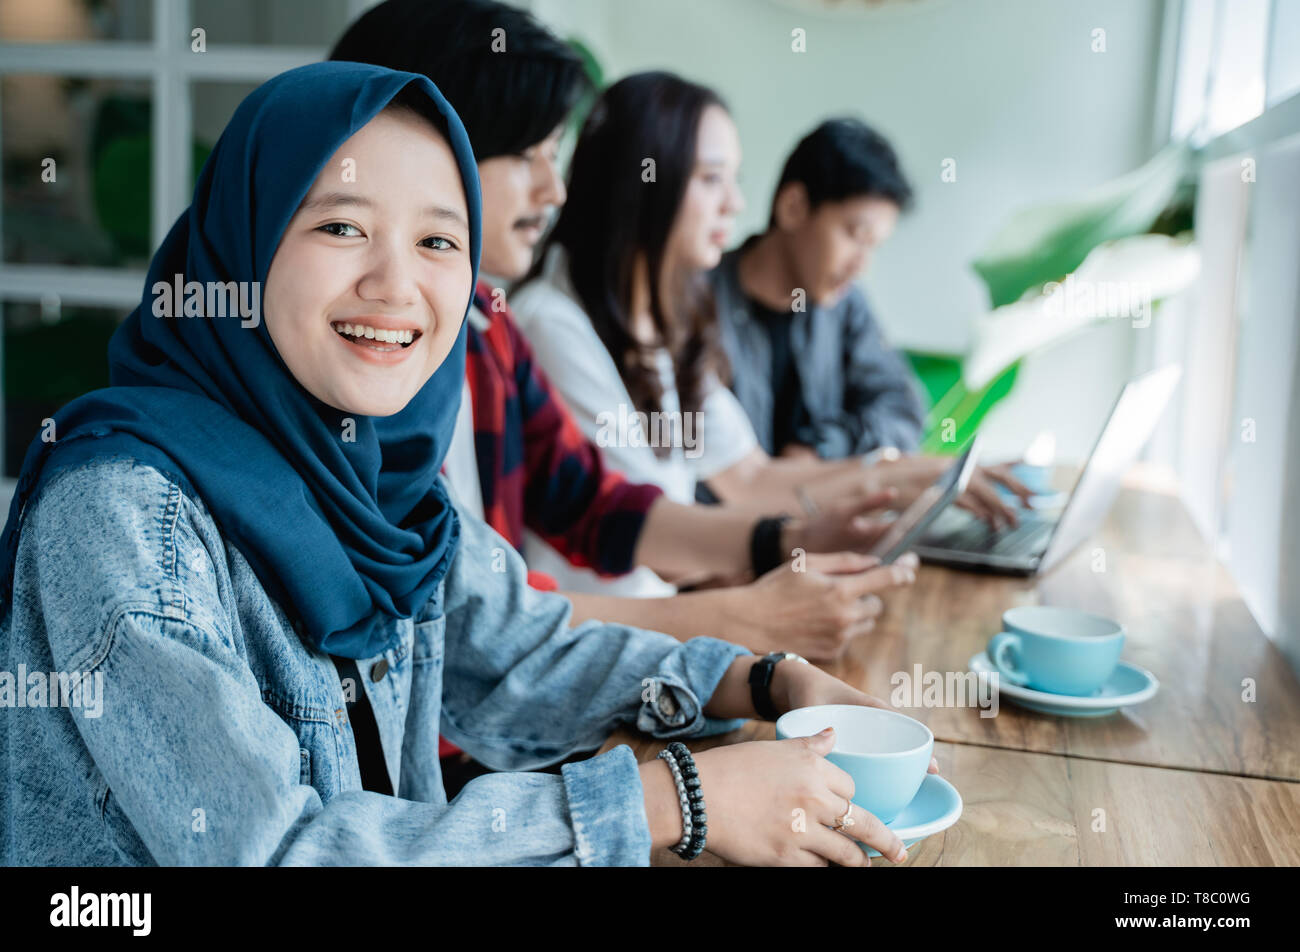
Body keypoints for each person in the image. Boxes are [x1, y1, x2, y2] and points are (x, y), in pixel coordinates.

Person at [0, 61, 934, 867]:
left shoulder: (380, 472)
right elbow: (283, 852)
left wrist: (764, 681)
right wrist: (673, 802)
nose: (396, 285)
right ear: (242, 243)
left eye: (439, 240)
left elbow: (527, 648)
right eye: (339, 228)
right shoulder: (121, 515)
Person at [510, 72, 1033, 600]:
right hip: (631, 640)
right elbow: (657, 540)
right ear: (642, 180)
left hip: (672, 627)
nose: (735, 203)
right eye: (712, 179)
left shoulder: (665, 321)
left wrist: (918, 475)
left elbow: (751, 477)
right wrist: (797, 539)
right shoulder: (554, 326)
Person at [710, 118, 927, 460]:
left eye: (874, 247)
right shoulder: (696, 301)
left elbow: (902, 409)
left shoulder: (846, 305)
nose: (861, 264)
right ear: (793, 207)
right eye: (856, 236)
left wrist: (819, 448)